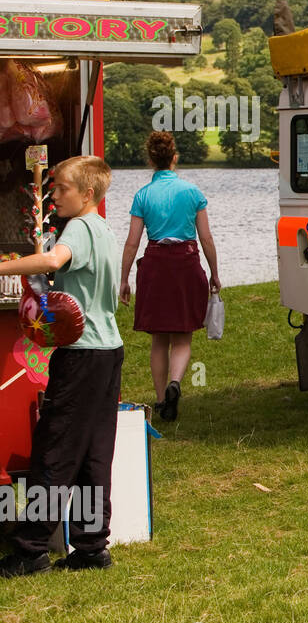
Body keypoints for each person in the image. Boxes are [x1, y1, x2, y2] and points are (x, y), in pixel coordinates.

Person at [0, 156, 123, 576]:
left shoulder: (82, 228)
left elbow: (53, 262)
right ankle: (91, 547)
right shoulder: (105, 229)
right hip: (108, 352)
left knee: (54, 449)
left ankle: (31, 549)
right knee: (92, 453)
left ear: (87, 193)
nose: (54, 195)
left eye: (62, 189)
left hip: (82, 355)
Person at [119, 132, 220, 421]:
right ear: (174, 157)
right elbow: (206, 238)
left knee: (159, 339)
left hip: (155, 264)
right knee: (183, 337)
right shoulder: (192, 193)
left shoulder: (143, 195)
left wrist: (124, 278)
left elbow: (131, 242)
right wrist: (214, 273)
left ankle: (162, 399)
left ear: (151, 160)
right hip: (186, 262)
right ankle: (176, 382)